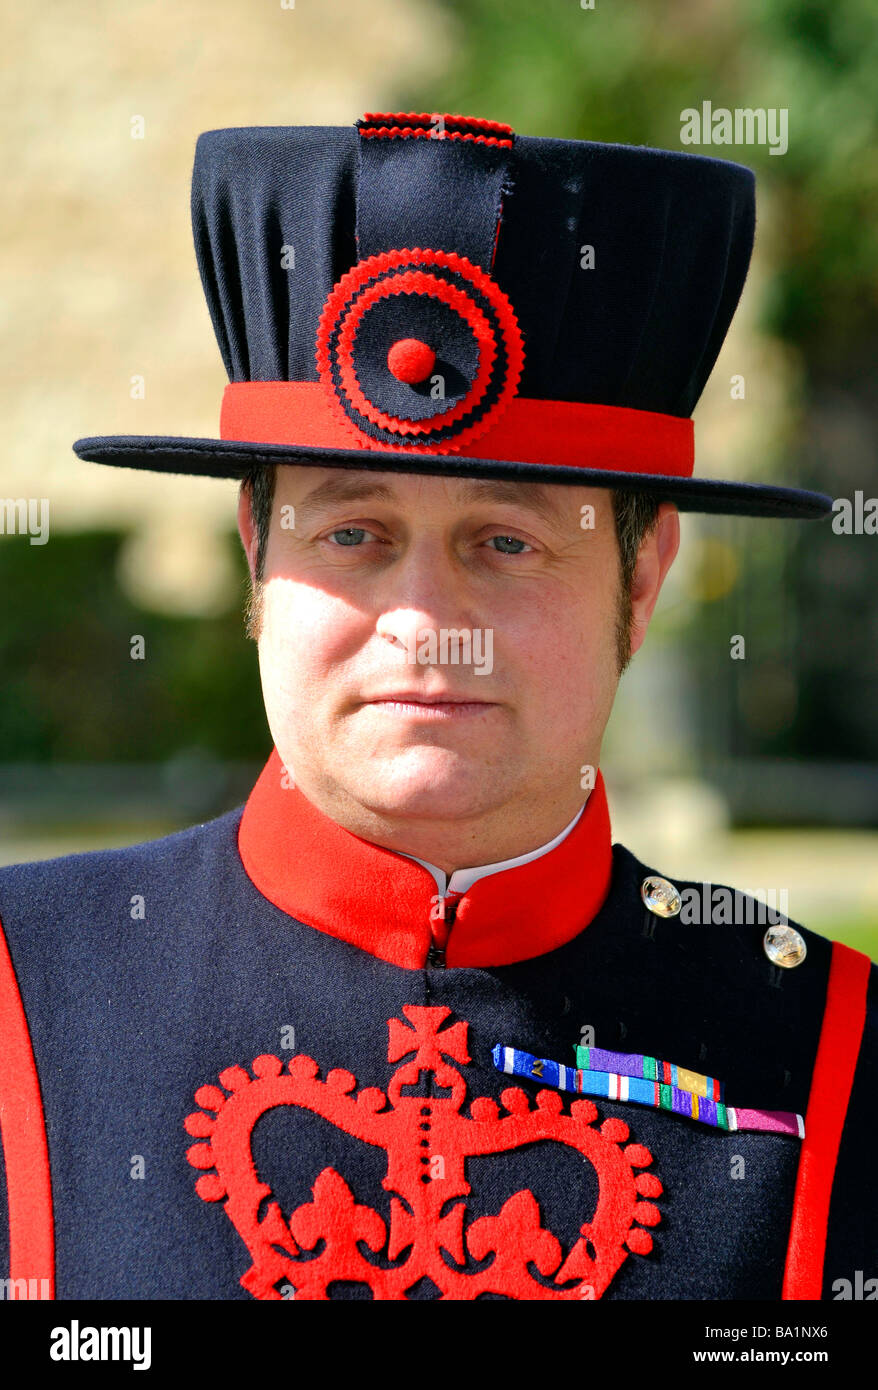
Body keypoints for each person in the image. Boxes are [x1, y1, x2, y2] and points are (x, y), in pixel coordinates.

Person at [0, 110, 873, 1302]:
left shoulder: (832, 1059)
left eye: (504, 540)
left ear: (644, 568)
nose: (424, 619)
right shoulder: (26, 991)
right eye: (353, 532)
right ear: (256, 547)